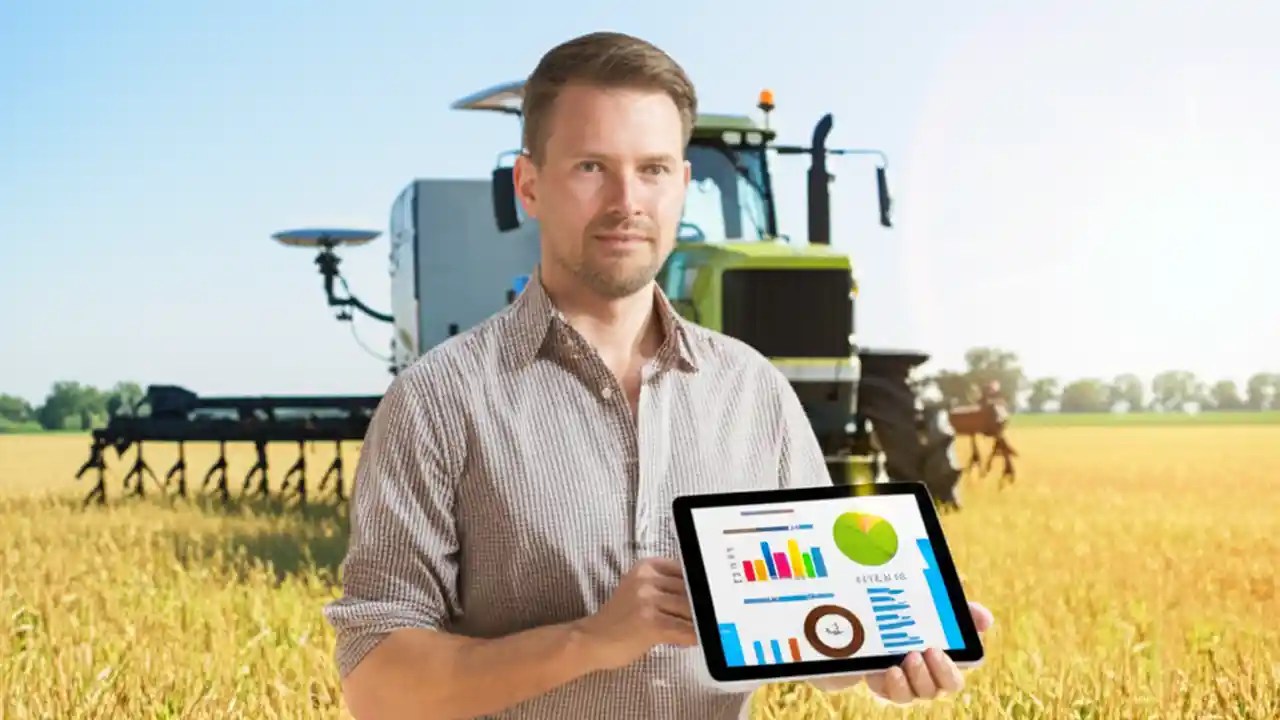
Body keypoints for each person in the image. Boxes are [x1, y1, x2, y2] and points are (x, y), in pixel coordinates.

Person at [323, 30, 993, 719]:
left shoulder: (755, 392)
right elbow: (376, 688)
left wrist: (878, 654)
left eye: (653, 168)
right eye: (591, 167)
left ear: (682, 183)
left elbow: (806, 619)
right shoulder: (437, 400)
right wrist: (587, 641)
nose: (626, 201)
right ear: (529, 185)